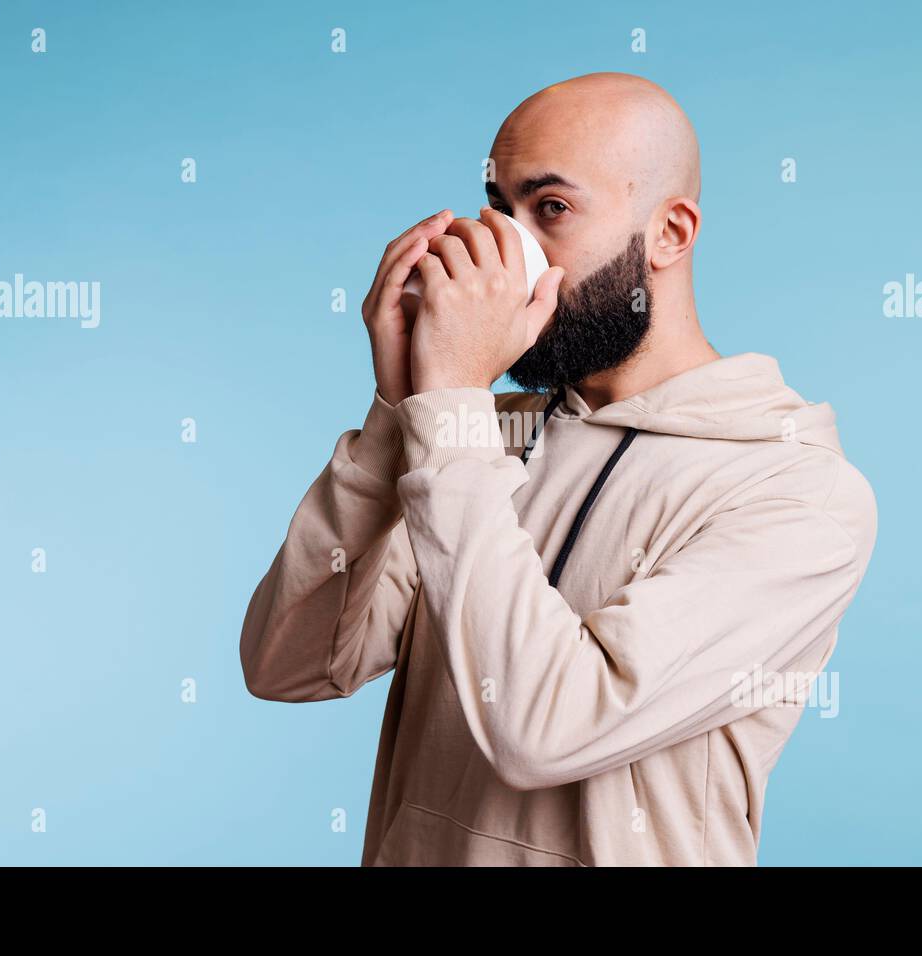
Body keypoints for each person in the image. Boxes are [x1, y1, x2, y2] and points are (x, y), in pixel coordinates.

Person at [240, 72, 877, 866]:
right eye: (500, 210)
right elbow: (289, 667)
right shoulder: (470, 435)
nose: (512, 253)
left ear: (671, 234)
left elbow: (547, 729)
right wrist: (396, 416)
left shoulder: (797, 494)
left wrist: (448, 417)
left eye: (552, 210)